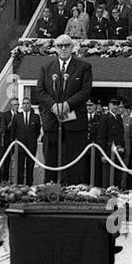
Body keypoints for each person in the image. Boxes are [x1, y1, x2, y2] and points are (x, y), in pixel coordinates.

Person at [33, 33, 92, 186]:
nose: (63, 49)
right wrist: (54, 106)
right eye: (60, 46)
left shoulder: (84, 67)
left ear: (72, 47)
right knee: (51, 158)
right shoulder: (46, 68)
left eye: (67, 45)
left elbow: (85, 91)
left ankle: (74, 190)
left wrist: (67, 105)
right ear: (55, 49)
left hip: (75, 122)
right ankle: (50, 189)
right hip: (52, 121)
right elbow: (39, 91)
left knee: (75, 160)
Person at [9, 95, 40, 185]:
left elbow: (37, 131)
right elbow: (13, 131)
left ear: (30, 105)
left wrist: (32, 139)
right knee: (20, 167)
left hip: (31, 146)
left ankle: (30, 185)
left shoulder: (36, 117)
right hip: (20, 146)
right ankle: (19, 185)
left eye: (27, 103)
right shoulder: (17, 117)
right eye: (24, 103)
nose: (25, 105)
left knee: (30, 167)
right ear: (22, 105)